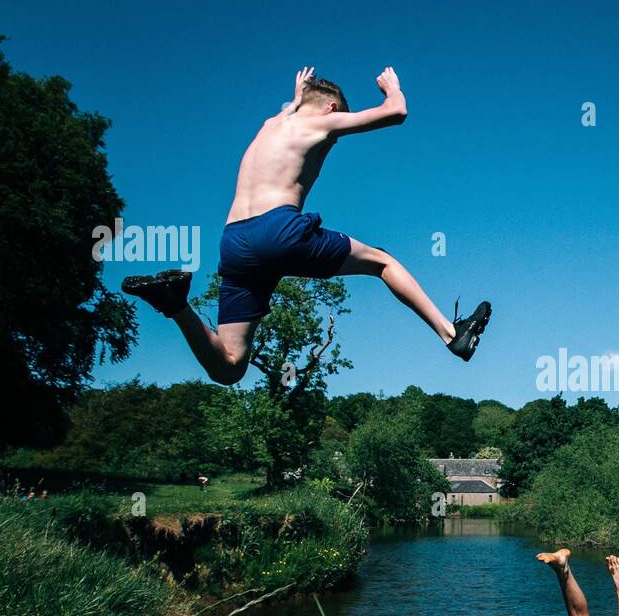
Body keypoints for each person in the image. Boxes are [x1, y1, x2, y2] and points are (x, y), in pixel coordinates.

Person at [121, 66, 491, 384]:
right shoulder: (322, 120)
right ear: (331, 108)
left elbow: (295, 106)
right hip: (278, 229)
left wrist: (297, 96)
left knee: (229, 368)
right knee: (383, 262)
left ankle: (175, 305)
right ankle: (450, 334)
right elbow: (397, 112)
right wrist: (391, 87)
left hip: (234, 241)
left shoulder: (273, 123)